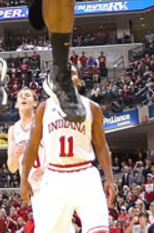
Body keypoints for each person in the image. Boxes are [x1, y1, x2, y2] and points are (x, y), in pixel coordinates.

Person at [20, 66, 116, 233]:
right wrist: (24, 179)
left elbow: (101, 145)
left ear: (79, 80)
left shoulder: (92, 108)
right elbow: (33, 145)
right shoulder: (44, 108)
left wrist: (109, 178)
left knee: (99, 230)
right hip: (55, 176)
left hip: (85, 174)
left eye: (71, 74)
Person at [7, 88, 44, 197]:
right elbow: (12, 168)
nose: (23, 97)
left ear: (35, 103)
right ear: (16, 104)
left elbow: (57, 150)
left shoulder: (42, 122)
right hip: (31, 186)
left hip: (48, 179)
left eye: (27, 95)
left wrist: (46, 166)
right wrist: (15, 155)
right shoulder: (13, 130)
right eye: (21, 96)